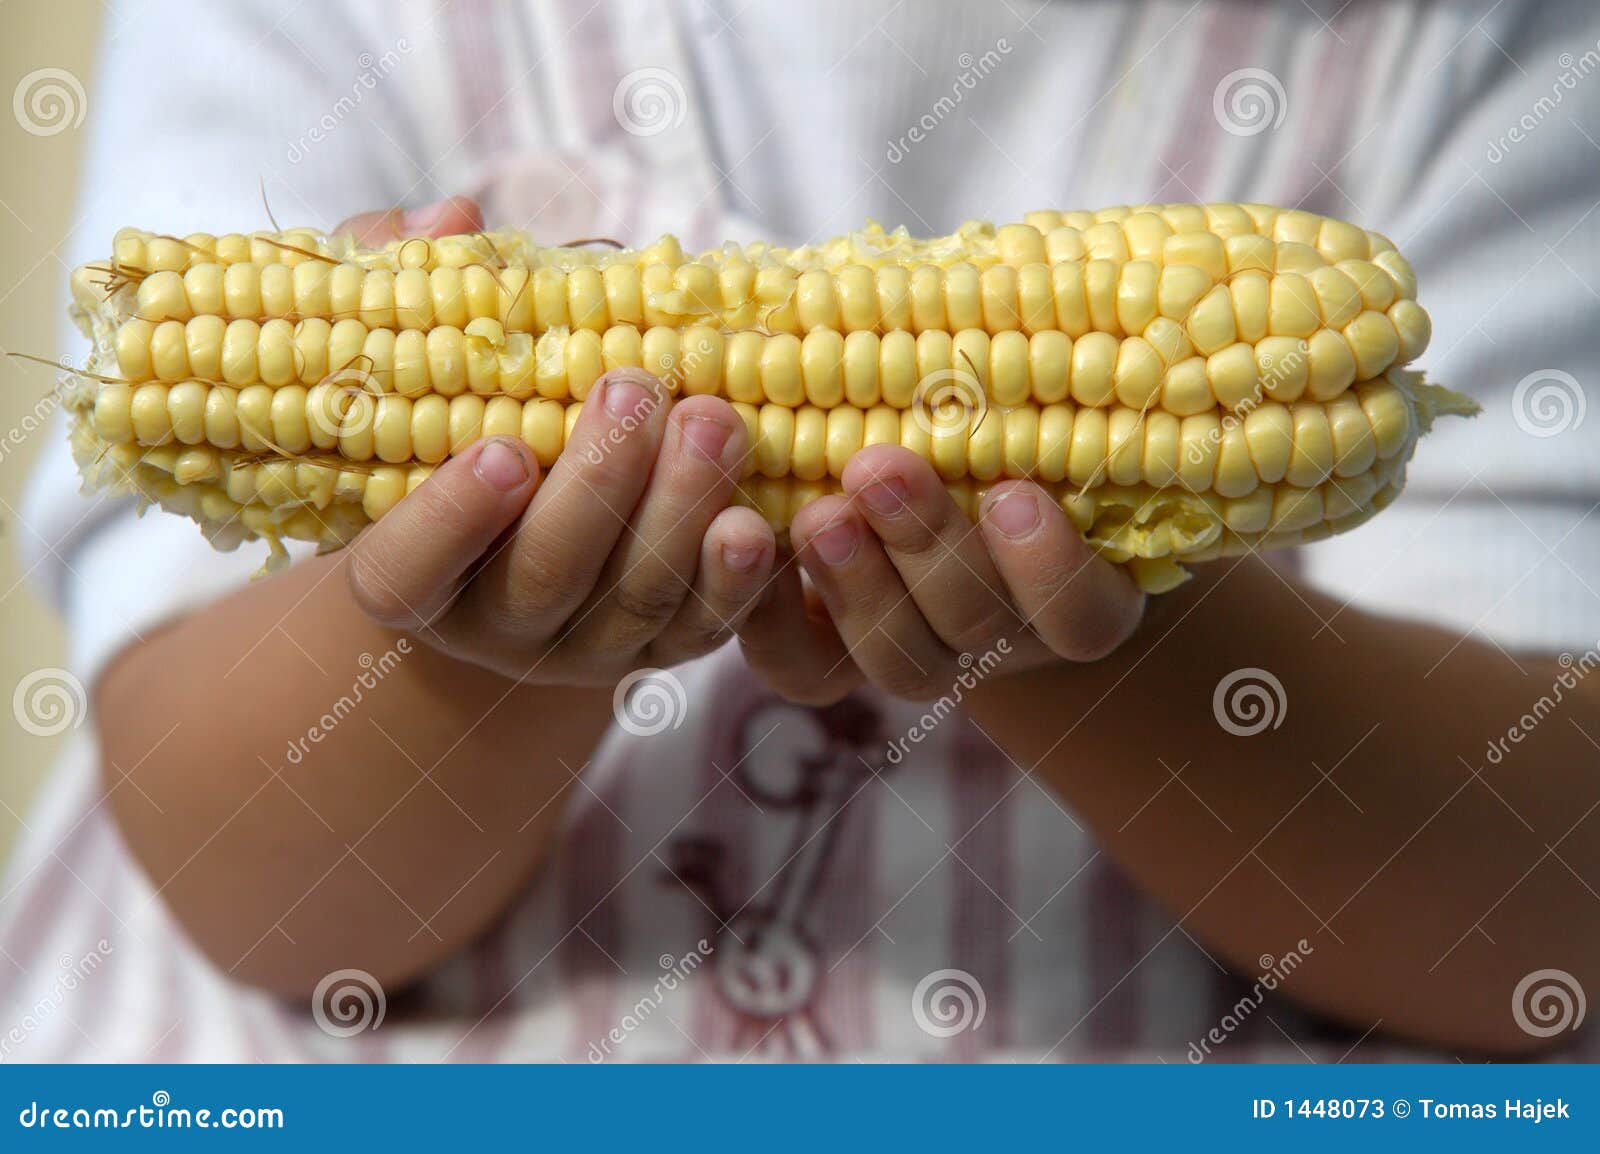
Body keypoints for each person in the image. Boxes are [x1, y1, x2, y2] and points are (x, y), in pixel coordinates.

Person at [3, 0, 1597, 1062]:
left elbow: (1540, 920)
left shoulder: (1469, 41)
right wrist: (465, 649)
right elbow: (256, 898)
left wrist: (1110, 618)